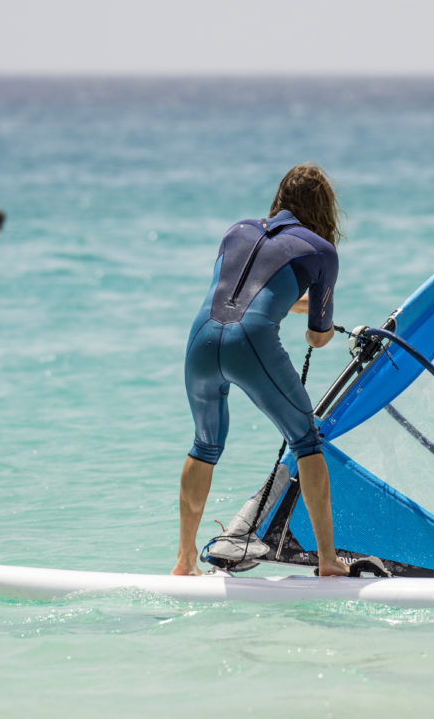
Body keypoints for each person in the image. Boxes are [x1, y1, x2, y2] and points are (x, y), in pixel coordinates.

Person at [174, 164, 351, 578]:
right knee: (306, 439)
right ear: (323, 209)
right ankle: (328, 561)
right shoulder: (321, 252)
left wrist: (293, 306)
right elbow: (318, 338)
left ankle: (183, 561)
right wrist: (316, 322)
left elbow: (243, 292)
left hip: (200, 340)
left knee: (205, 446)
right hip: (250, 345)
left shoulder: (236, 230)